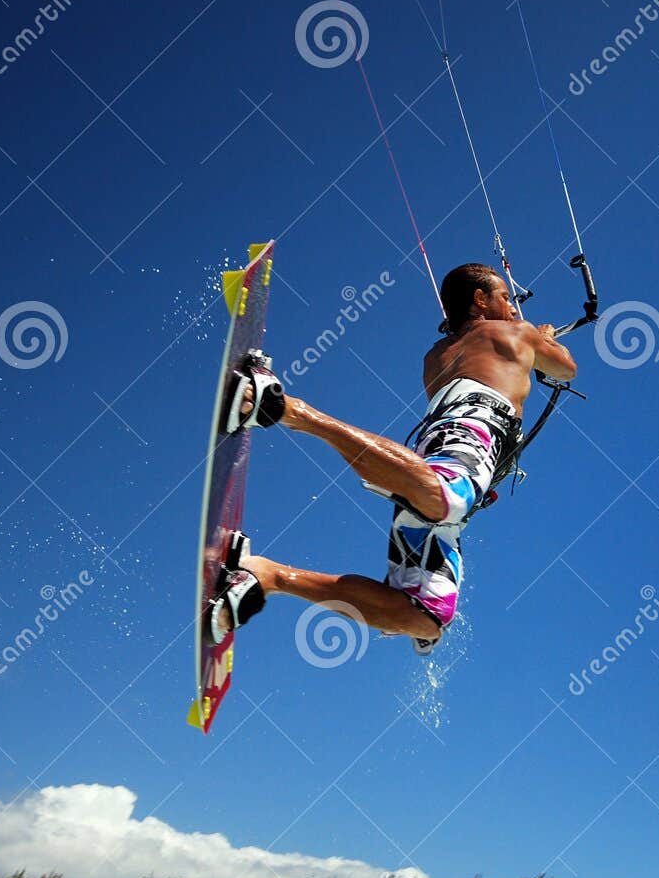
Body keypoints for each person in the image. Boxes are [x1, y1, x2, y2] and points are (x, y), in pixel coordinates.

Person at [209, 263, 577, 654]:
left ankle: (268, 576)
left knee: (426, 618)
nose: (514, 307)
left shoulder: (437, 353)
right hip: (473, 434)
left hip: (436, 449)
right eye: (506, 297)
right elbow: (566, 368)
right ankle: (284, 408)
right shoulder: (517, 332)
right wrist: (545, 337)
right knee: (447, 499)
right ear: (480, 299)